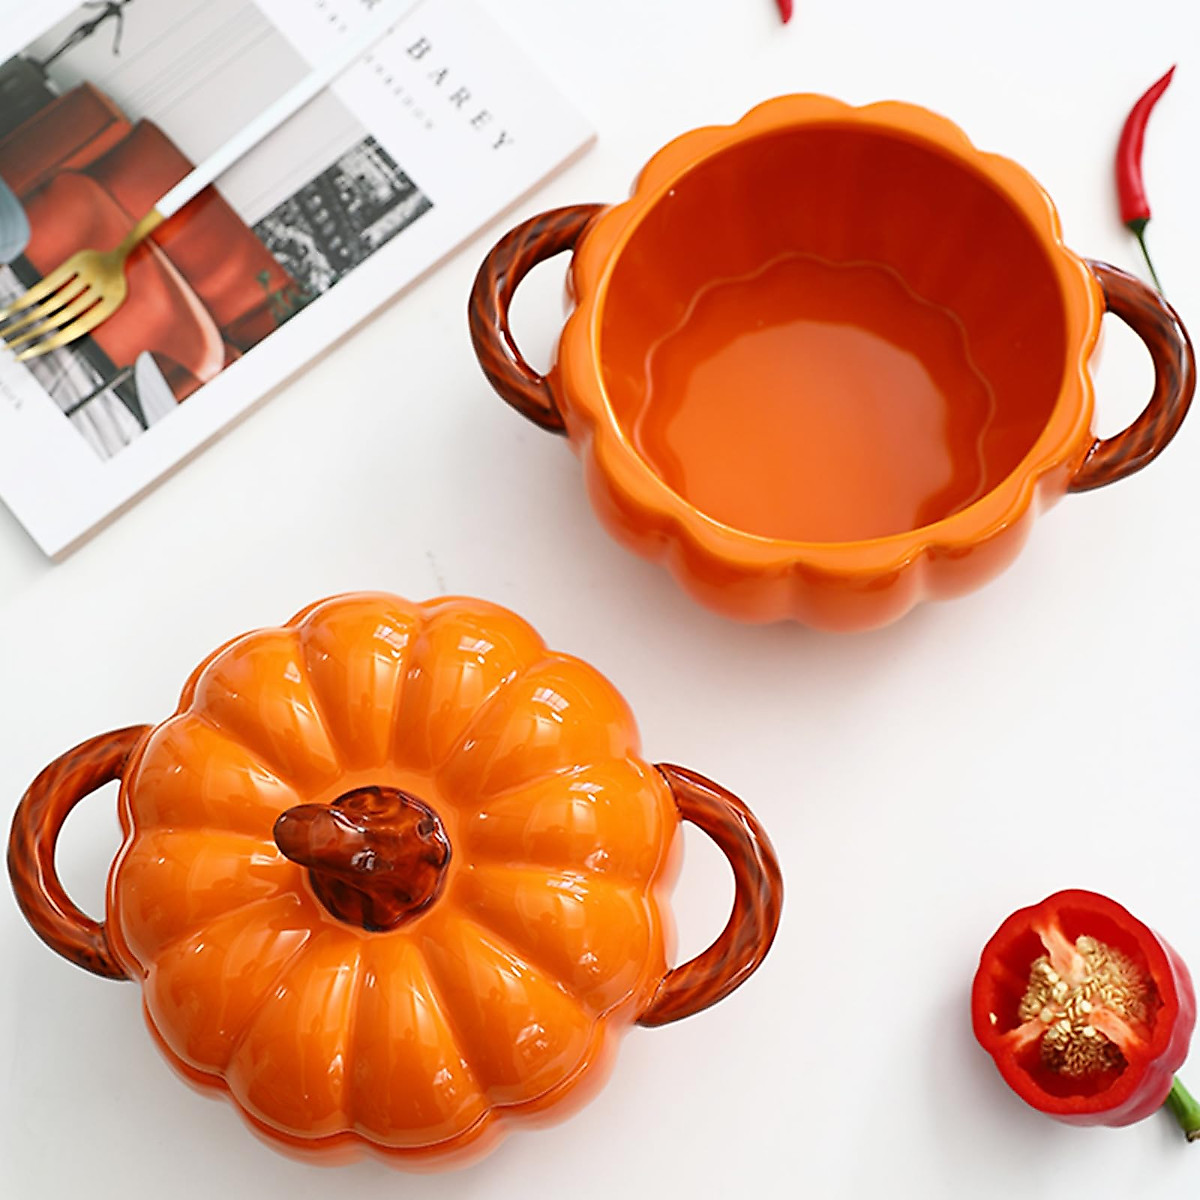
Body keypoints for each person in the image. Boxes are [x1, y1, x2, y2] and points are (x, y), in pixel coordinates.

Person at [37, 0, 135, 70]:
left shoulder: (117, 11)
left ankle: (46, 63)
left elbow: (118, 31)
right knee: (67, 41)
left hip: (90, 27)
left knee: (70, 44)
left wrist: (115, 46)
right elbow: (92, 6)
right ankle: (45, 62)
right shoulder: (112, 6)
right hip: (88, 25)